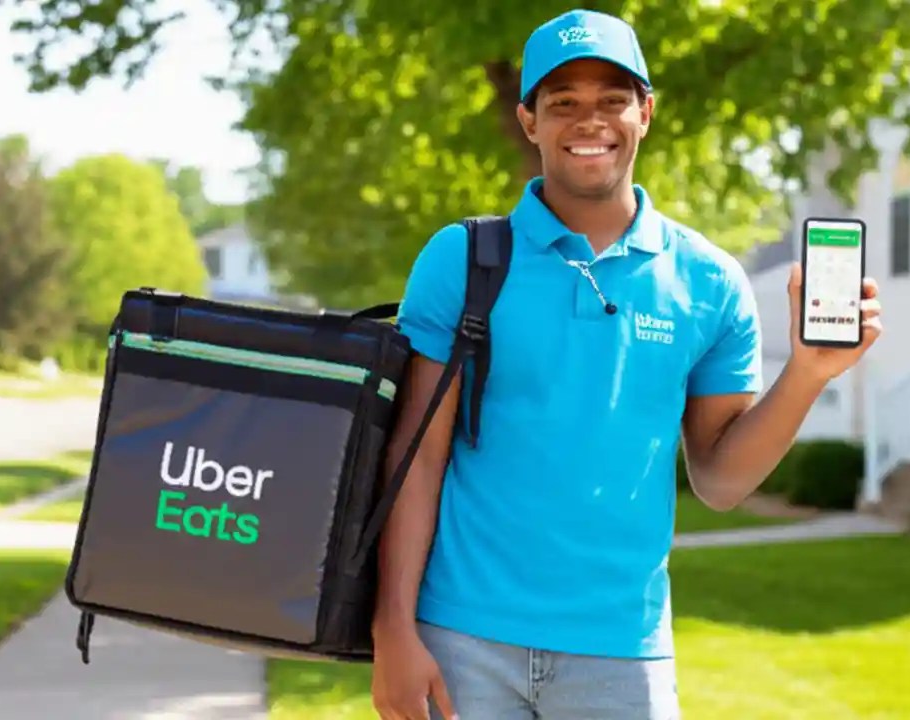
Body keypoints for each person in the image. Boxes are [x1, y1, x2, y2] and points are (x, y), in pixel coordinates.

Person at [369, 8, 883, 720]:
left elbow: (723, 480)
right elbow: (415, 459)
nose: (590, 121)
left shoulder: (711, 283)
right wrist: (393, 629)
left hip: (623, 653)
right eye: (563, 104)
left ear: (646, 112)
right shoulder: (462, 261)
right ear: (529, 121)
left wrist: (807, 373)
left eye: (613, 100)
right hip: (462, 638)